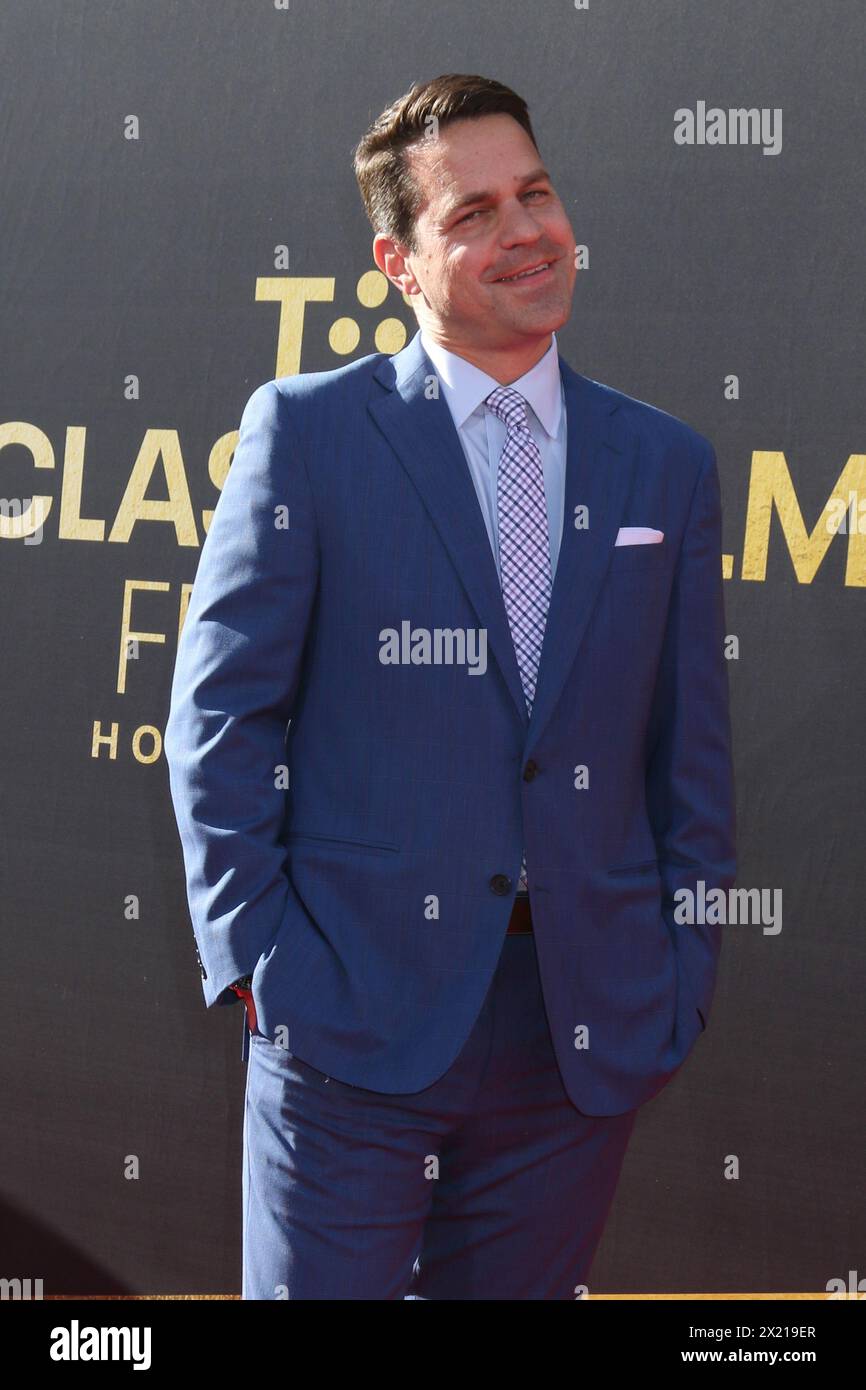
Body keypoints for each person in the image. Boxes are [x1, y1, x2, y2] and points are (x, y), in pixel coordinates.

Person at [164, 72, 737, 1300]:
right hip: (350, 1017)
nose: (523, 230)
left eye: (533, 192)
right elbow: (218, 718)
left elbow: (688, 752)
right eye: (471, 212)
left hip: (578, 1030)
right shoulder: (308, 433)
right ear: (399, 262)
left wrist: (677, 970)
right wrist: (265, 963)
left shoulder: (663, 463)